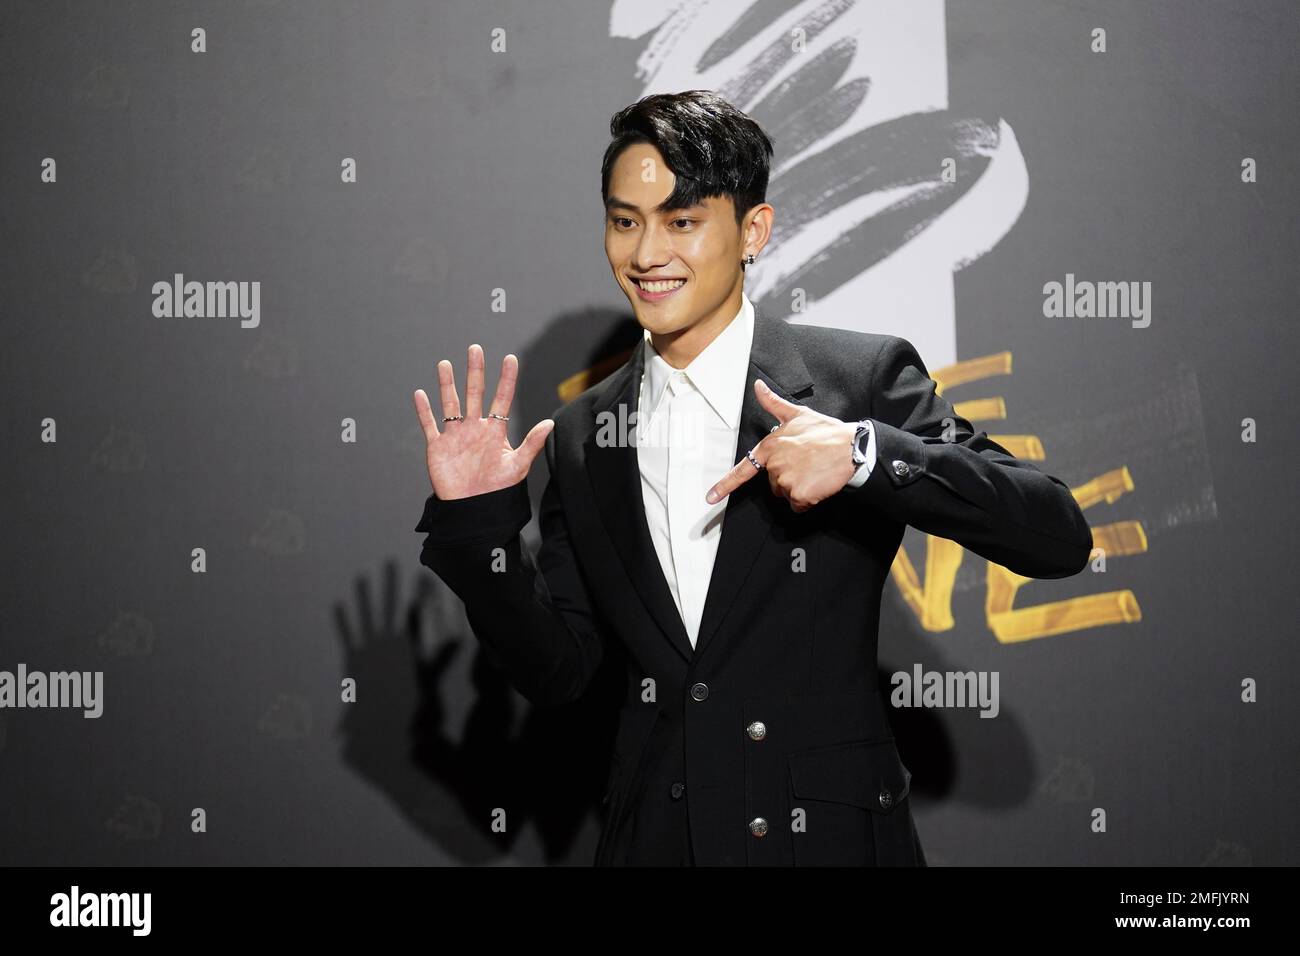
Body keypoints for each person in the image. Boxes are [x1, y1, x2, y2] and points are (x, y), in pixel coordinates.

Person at [411, 90, 1093, 866]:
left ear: (753, 231)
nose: (645, 254)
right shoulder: (582, 436)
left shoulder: (855, 380)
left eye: (683, 220)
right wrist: (479, 528)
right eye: (624, 220)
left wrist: (867, 456)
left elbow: (1058, 534)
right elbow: (563, 673)